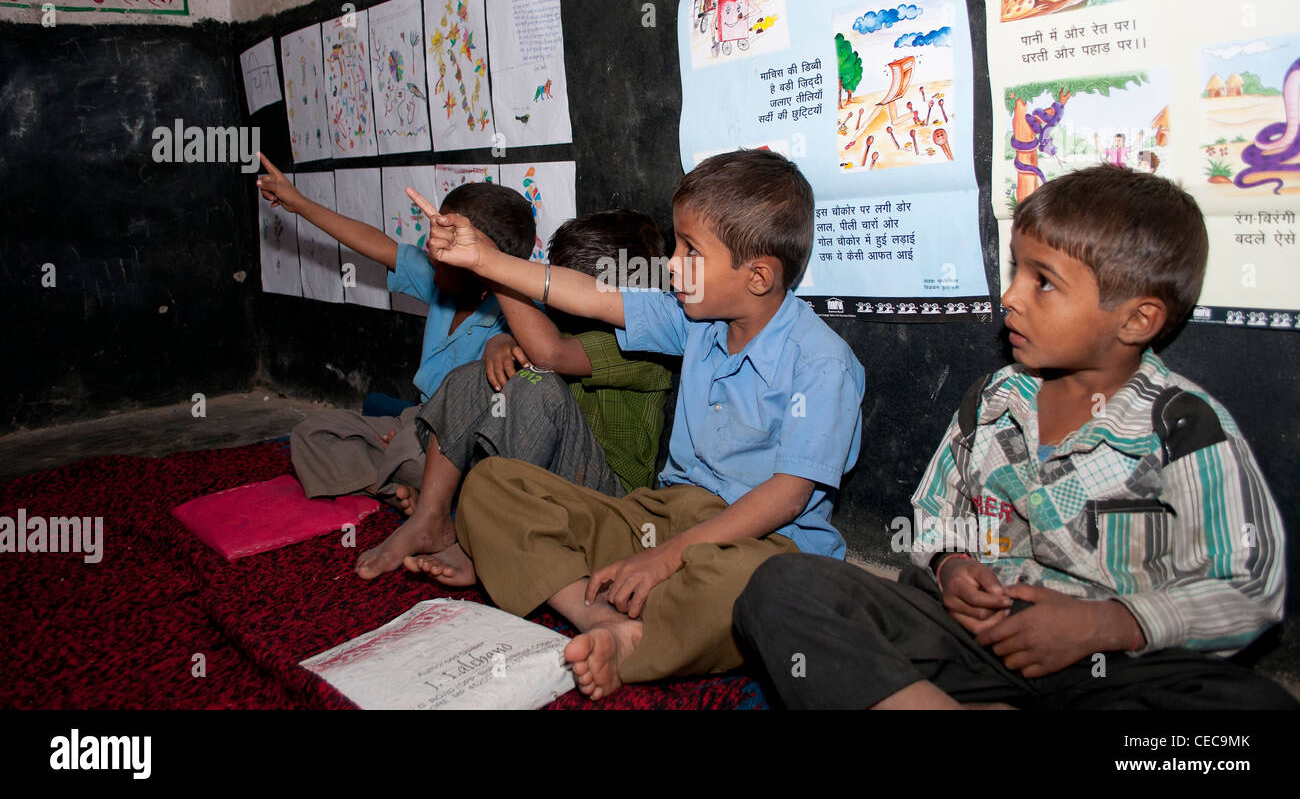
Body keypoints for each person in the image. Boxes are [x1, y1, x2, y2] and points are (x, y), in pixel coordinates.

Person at [734, 166, 1294, 709]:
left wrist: (1107, 624)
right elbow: (932, 515)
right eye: (1016, 271)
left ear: (1137, 320)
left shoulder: (1183, 427)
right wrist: (951, 565)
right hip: (975, 644)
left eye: (1043, 281)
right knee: (783, 588)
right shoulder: (993, 402)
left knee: (1251, 703)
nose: (1011, 297)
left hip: (1107, 665)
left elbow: (1248, 588)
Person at [402, 149, 866, 700]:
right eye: (675, 244)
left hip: (764, 543)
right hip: (665, 513)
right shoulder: (693, 322)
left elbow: (788, 497)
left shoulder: (822, 364)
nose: (671, 262)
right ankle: (597, 614)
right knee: (492, 487)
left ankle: (629, 639)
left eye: (691, 250)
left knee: (750, 591)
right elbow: (587, 295)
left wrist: (667, 557)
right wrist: (483, 260)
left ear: (759, 275)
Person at [353, 209, 675, 579]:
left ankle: (487, 541)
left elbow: (550, 354)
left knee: (540, 384)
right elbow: (534, 345)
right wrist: (500, 342)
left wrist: (492, 265)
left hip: (609, 499)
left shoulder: (647, 348)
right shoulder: (562, 321)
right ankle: (431, 517)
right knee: (477, 375)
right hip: (544, 475)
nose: (552, 297)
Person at [255, 153, 535, 501]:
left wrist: (504, 341)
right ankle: (398, 487)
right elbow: (376, 244)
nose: (430, 250)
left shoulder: (517, 309)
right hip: (415, 420)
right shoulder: (439, 280)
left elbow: (529, 367)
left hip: (464, 439)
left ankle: (408, 481)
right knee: (313, 433)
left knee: (429, 460)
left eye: (444, 244)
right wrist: (298, 203)